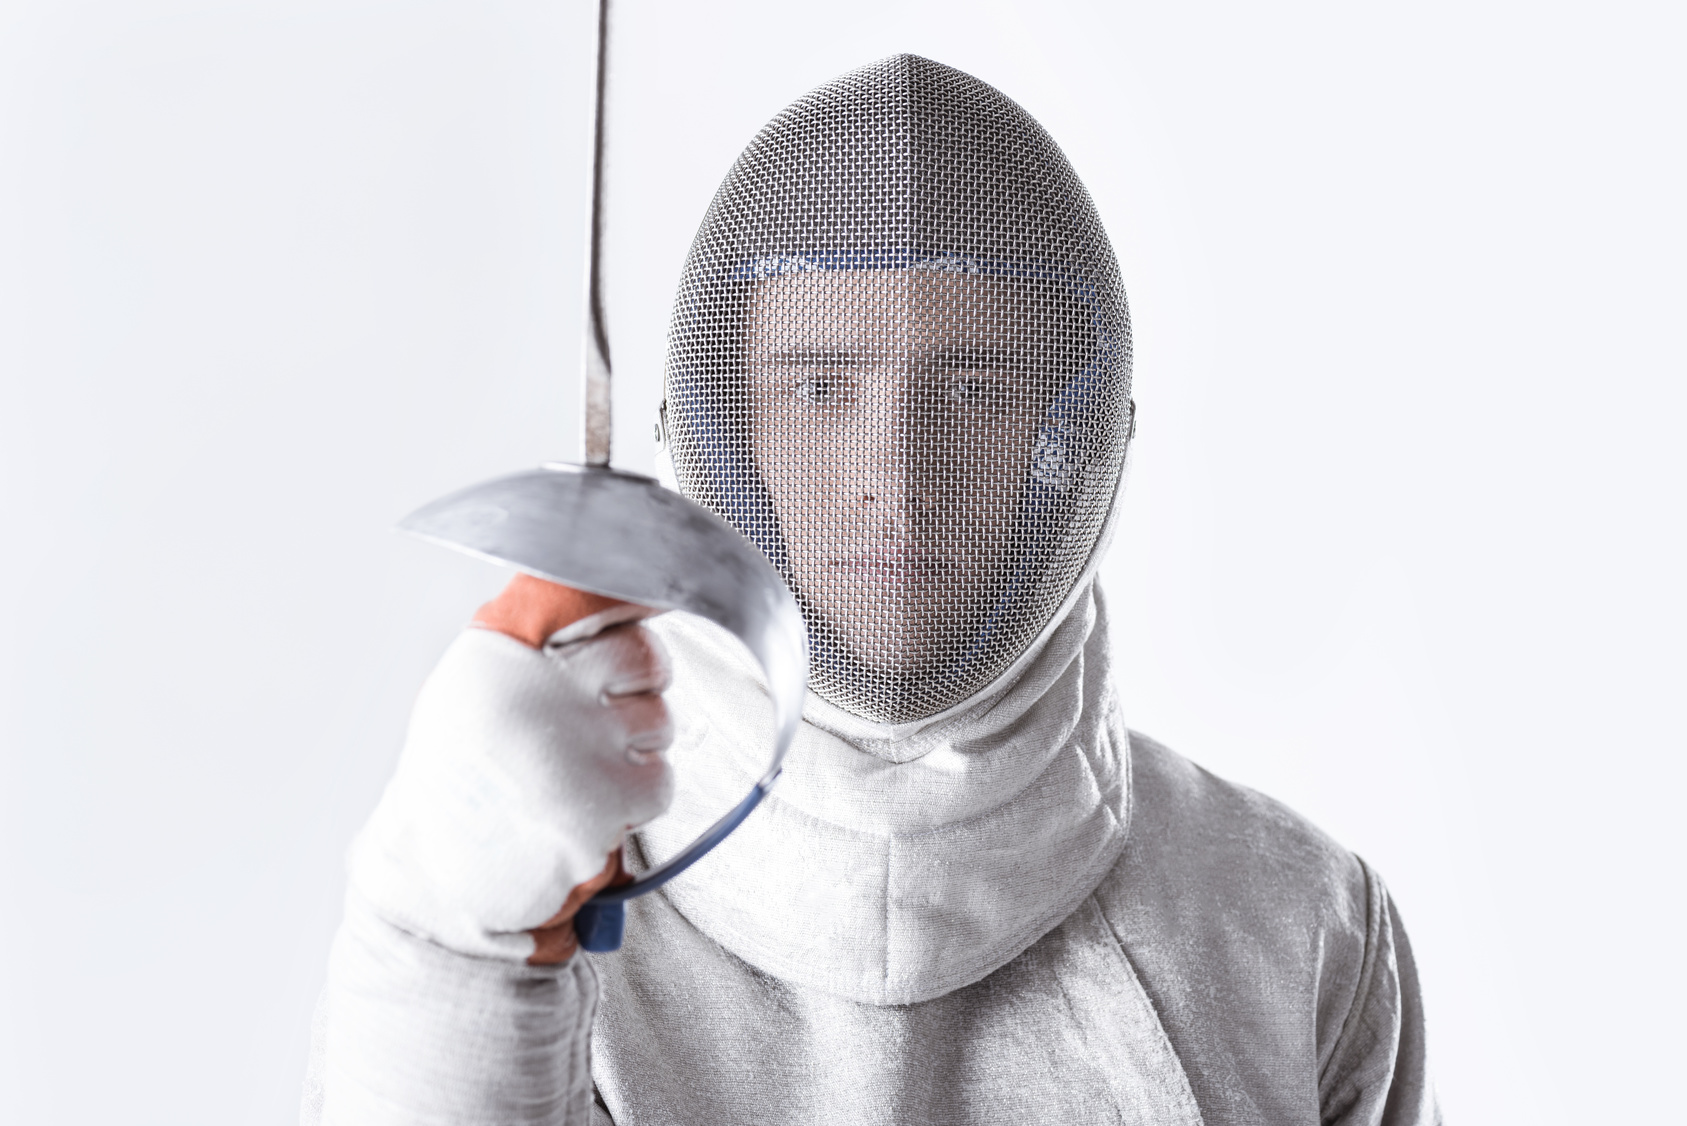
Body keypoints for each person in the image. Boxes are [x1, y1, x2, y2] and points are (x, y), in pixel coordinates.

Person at [304, 55, 1439, 1126]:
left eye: (975, 393)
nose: (892, 479)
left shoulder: (1292, 921)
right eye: (819, 389)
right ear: (727, 433)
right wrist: (447, 945)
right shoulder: (539, 890)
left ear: (1069, 441)